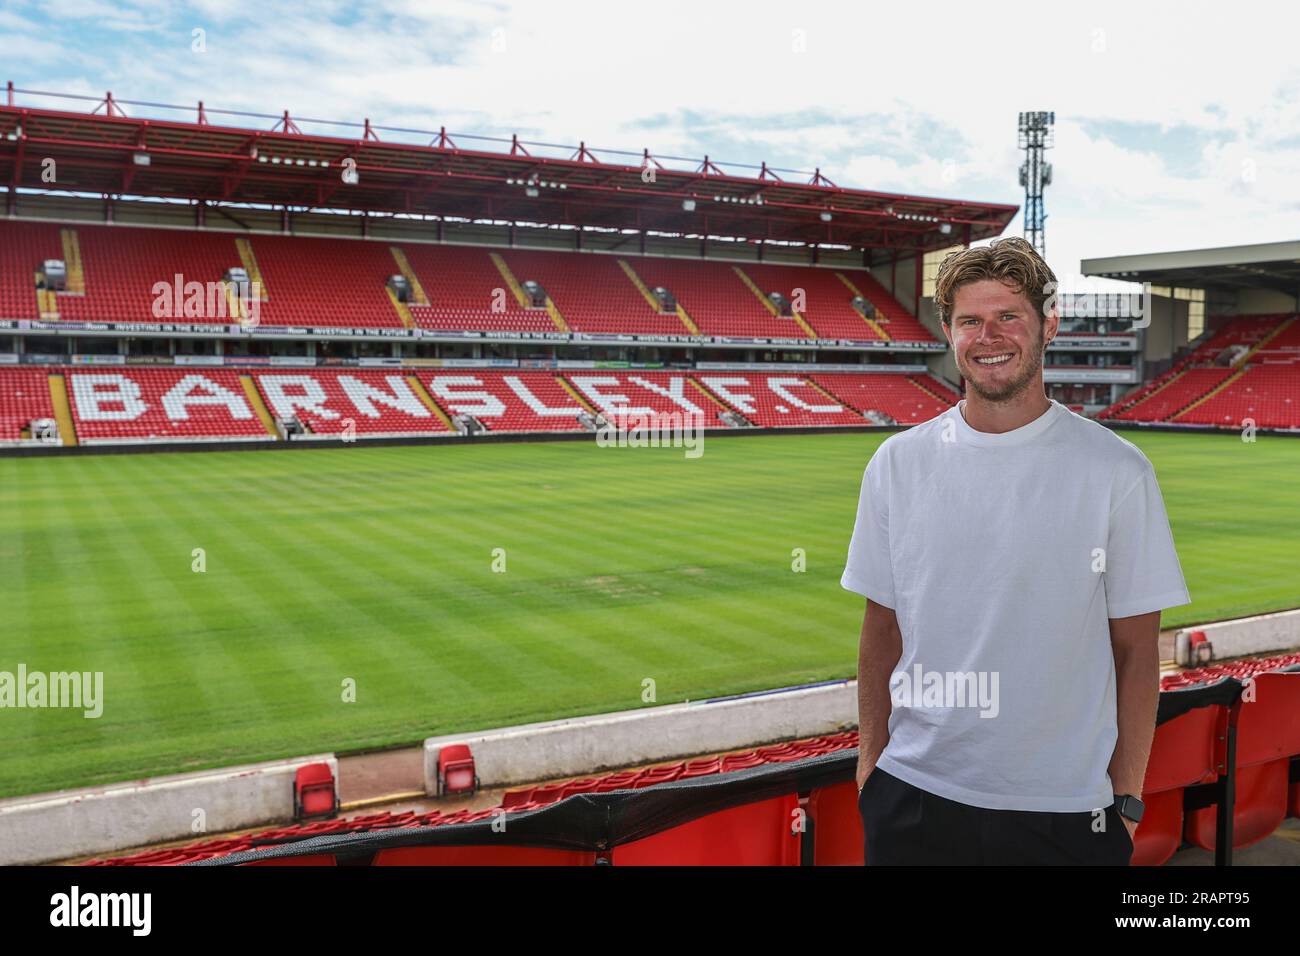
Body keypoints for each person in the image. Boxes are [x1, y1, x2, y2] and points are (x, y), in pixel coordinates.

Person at [841, 237, 1190, 865]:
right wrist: (872, 766)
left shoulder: (1117, 471)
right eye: (970, 320)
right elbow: (881, 627)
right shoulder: (896, 463)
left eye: (1009, 316)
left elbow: (1139, 651)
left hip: (1061, 813)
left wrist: (1127, 801)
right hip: (914, 798)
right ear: (948, 331)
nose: (989, 336)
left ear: (1047, 325)